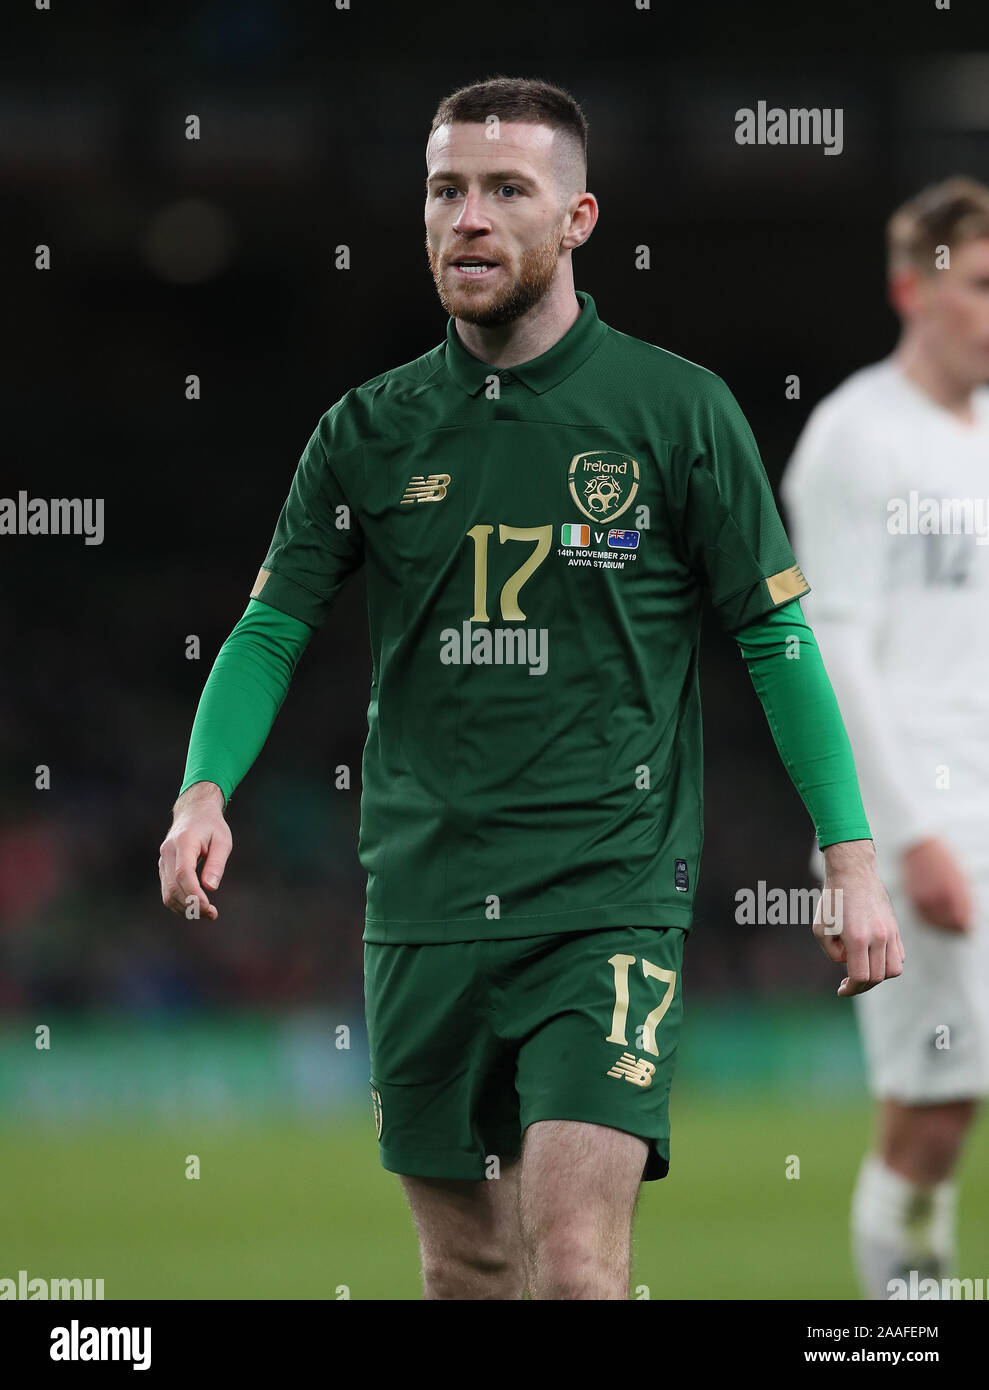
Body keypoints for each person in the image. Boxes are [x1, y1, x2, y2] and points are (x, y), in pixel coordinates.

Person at [159, 76, 902, 1301]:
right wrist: (202, 790)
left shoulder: (676, 412)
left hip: (603, 898)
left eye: (507, 190)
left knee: (571, 1272)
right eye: (447, 189)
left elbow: (773, 640)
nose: (469, 217)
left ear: (577, 220)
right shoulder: (366, 431)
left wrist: (849, 853)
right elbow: (271, 624)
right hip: (421, 899)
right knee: (465, 1271)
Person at [781, 177, 989, 1299]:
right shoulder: (854, 439)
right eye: (980, 287)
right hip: (922, 818)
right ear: (913, 288)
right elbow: (833, 650)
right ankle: (907, 1326)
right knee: (933, 1110)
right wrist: (904, 841)